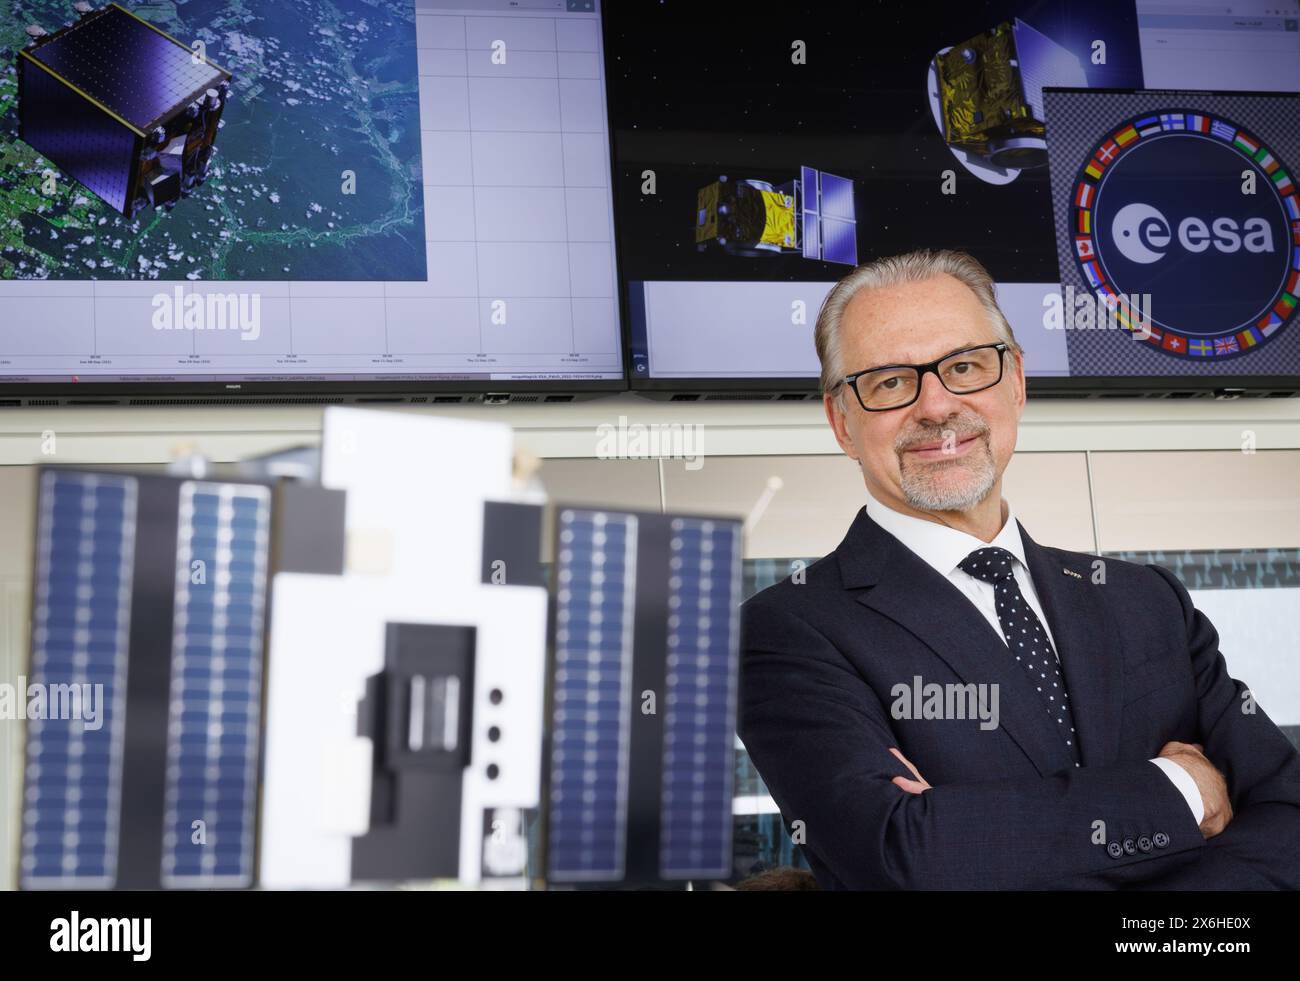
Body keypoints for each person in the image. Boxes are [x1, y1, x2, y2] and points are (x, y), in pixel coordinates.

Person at [737, 249, 1300, 890]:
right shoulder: (786, 629)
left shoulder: (1145, 601)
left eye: (966, 366)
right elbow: (903, 856)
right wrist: (1181, 791)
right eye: (890, 382)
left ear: (1017, 382)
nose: (937, 406)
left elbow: (1285, 817)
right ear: (842, 419)